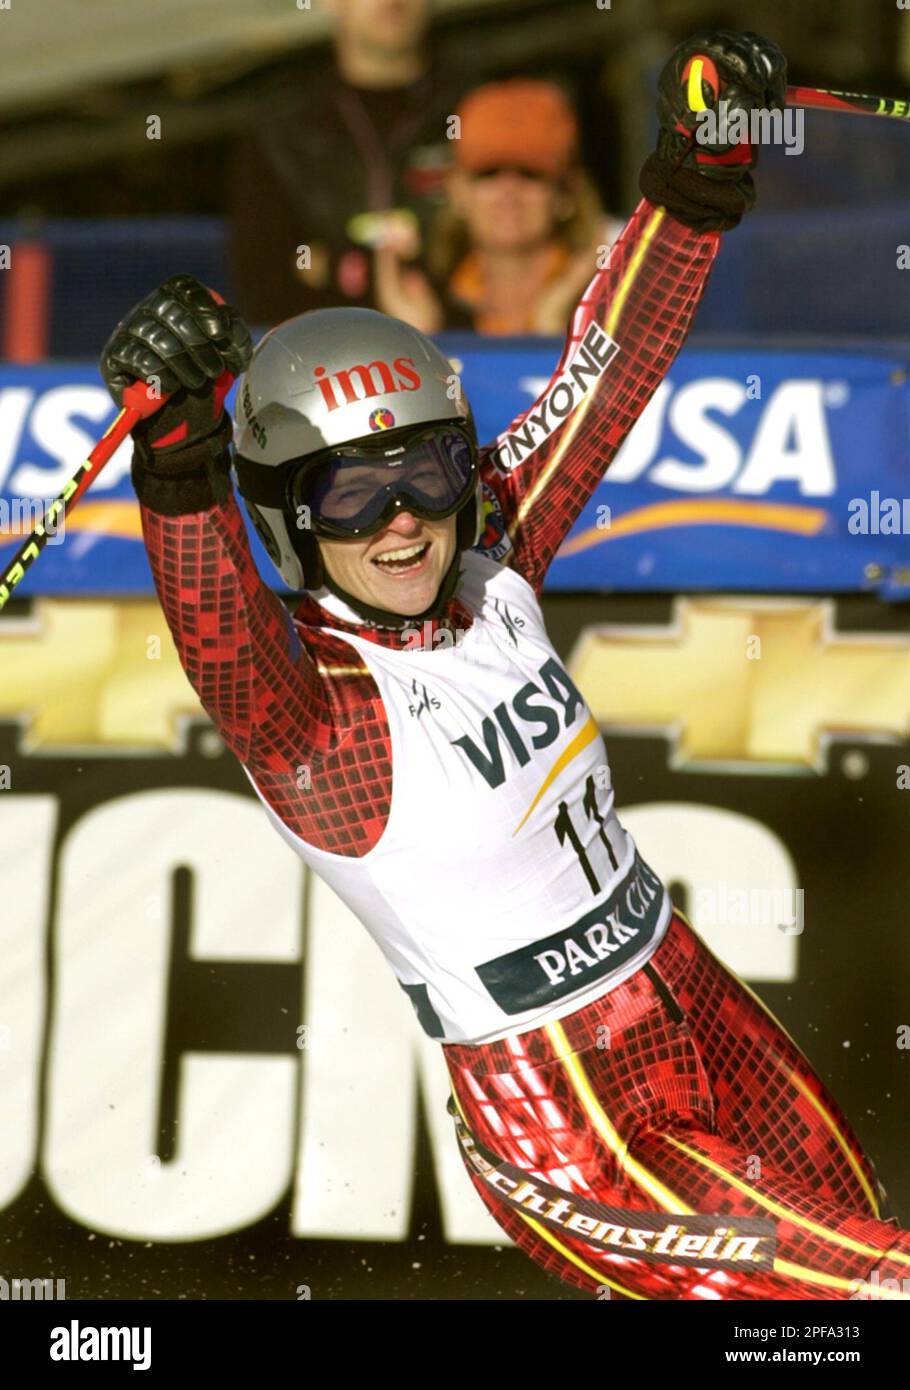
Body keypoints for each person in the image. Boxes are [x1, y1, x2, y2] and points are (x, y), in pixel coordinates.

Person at [100, 30, 910, 1300]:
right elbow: (215, 630)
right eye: (351, 498)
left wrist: (694, 175)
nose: (401, 519)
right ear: (289, 522)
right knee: (873, 1287)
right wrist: (183, 462)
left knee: (850, 1261)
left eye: (422, 469)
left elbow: (609, 373)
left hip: (681, 990)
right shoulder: (314, 716)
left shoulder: (490, 565)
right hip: (569, 1112)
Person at [227, 0, 467, 326]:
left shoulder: (477, 107)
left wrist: (334, 265)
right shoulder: (283, 127)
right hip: (319, 357)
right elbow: (263, 278)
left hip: (463, 353)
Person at [374, 78, 624, 336]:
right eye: (488, 173)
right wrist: (416, 342)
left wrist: (557, 332)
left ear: (565, 194)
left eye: (530, 174)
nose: (508, 191)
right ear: (457, 191)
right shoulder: (432, 305)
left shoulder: (615, 297)